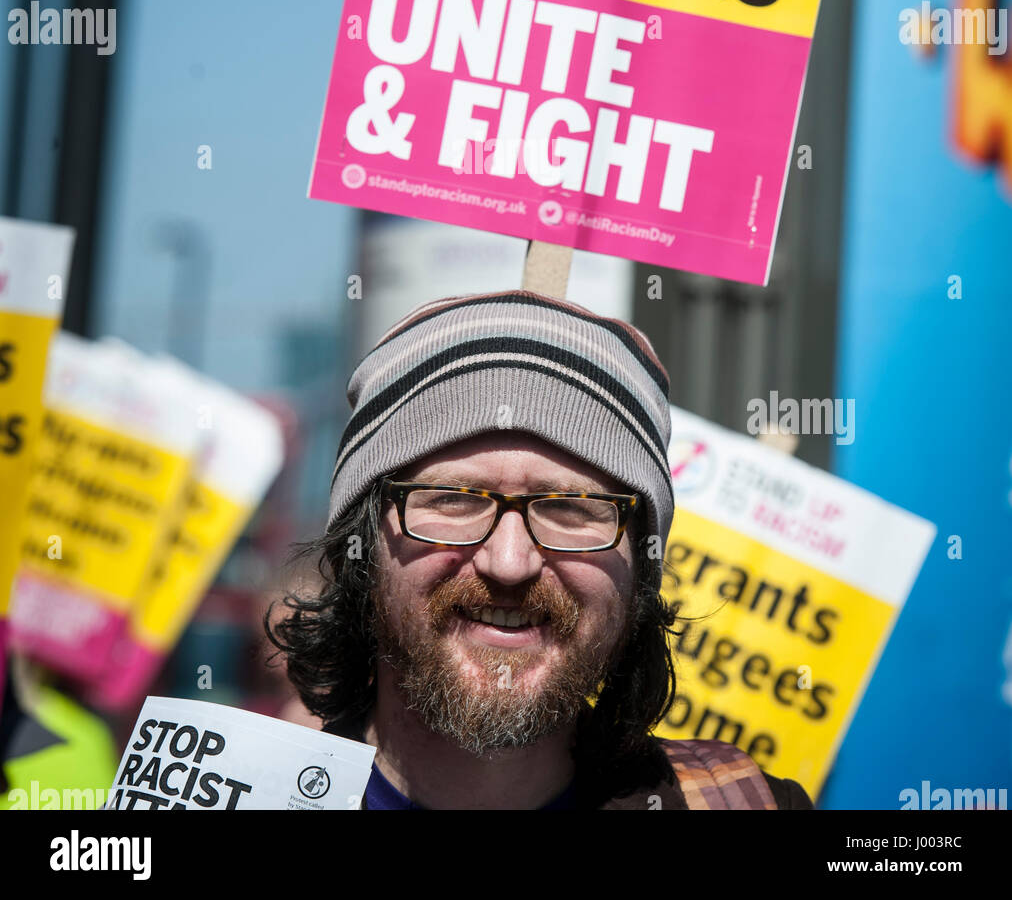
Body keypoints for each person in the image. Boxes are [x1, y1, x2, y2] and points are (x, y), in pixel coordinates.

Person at [267, 289, 813, 811]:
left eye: (572, 509)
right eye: (454, 501)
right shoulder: (245, 792)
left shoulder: (744, 802)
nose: (509, 562)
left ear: (640, 569)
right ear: (360, 545)